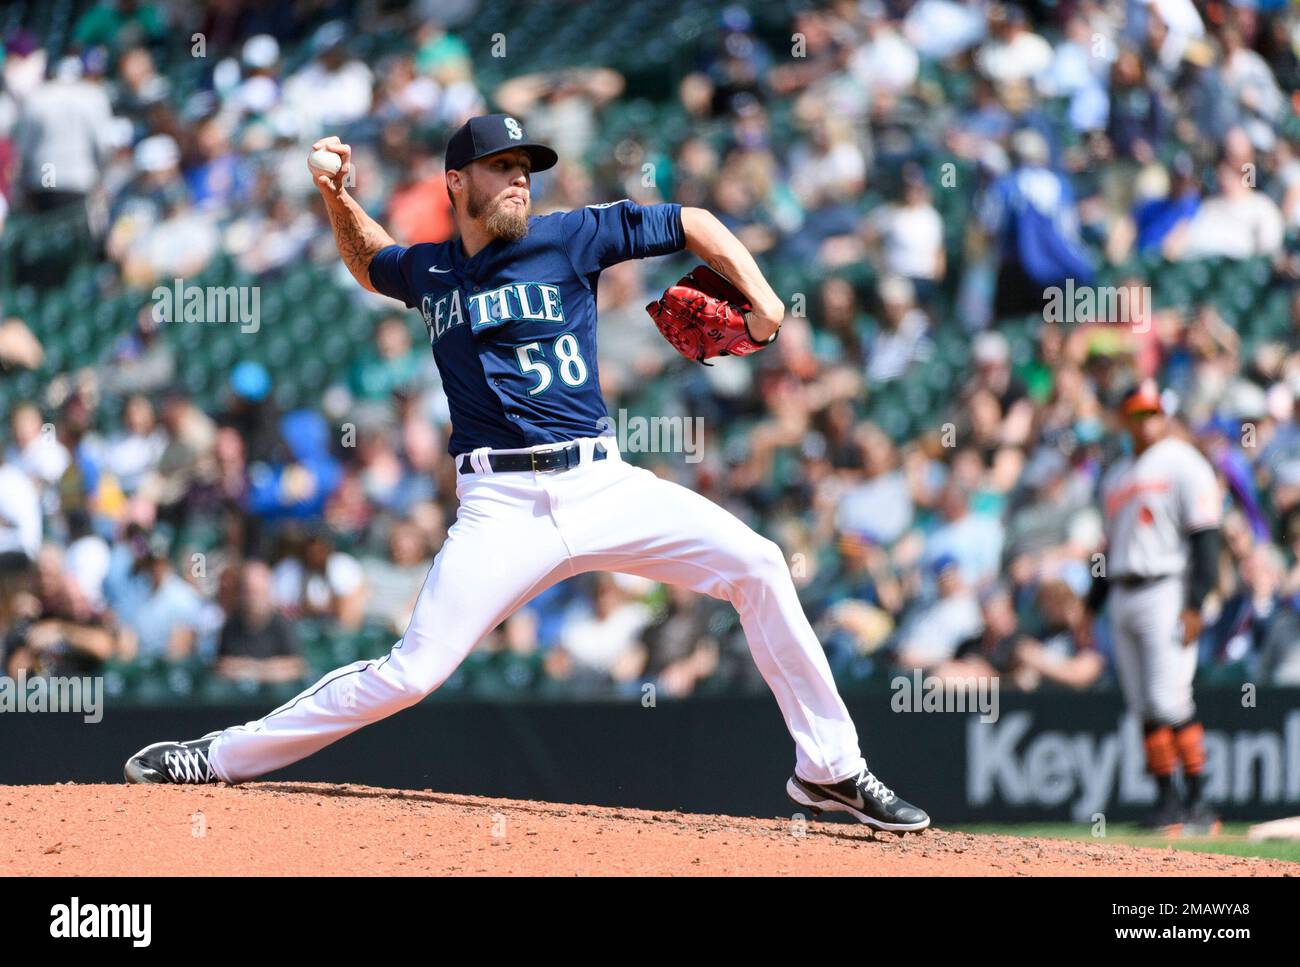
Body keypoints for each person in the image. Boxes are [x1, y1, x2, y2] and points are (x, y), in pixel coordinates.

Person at [124, 113, 930, 833]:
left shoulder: (570, 236)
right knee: (410, 673)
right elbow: (371, 263)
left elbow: (693, 220)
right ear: (456, 182)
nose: (518, 179)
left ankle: (829, 768)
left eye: (525, 167)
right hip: (500, 503)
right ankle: (219, 755)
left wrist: (763, 299)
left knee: (757, 562)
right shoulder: (432, 270)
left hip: (602, 482)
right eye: (501, 165)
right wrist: (336, 194)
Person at [1084, 381, 1222, 835]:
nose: (1146, 422)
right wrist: (1091, 606)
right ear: (1124, 419)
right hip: (1123, 589)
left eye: (1152, 413)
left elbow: (1205, 536)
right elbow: (1109, 549)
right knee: (1144, 705)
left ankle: (1200, 800)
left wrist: (1196, 601)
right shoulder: (1117, 475)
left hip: (1167, 587)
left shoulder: (1183, 462)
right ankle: (1168, 803)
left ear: (1163, 414)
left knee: (1170, 698)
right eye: (1137, 414)